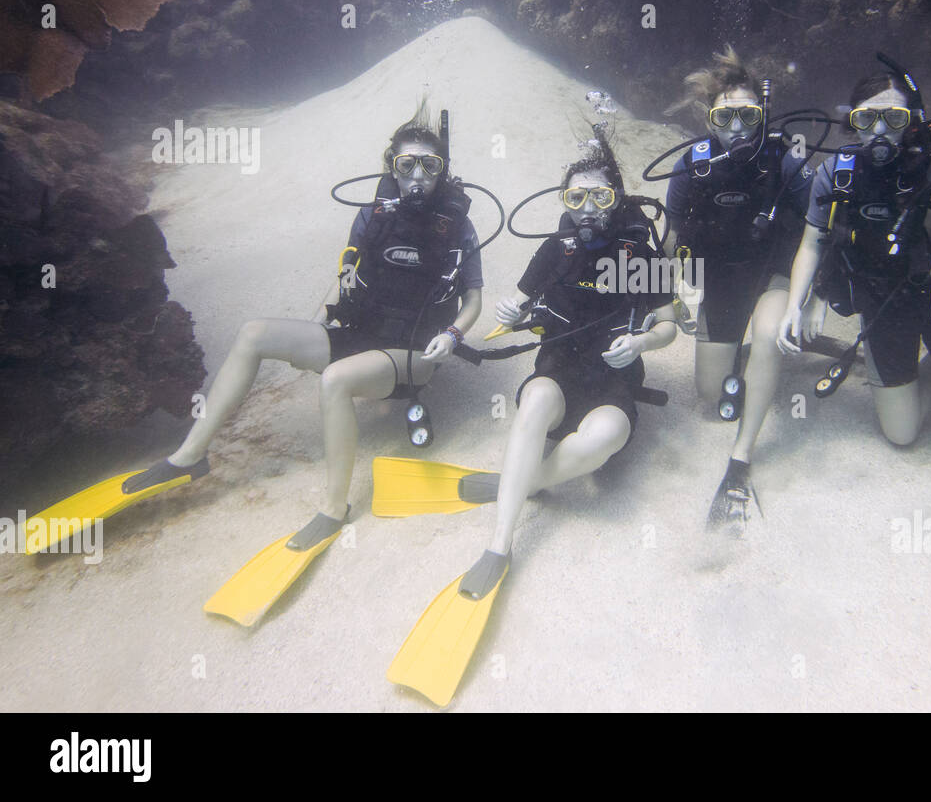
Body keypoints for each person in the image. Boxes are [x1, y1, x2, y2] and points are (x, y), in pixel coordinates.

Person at [26, 99, 484, 604]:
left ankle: (334, 510)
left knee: (336, 381)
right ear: (390, 169)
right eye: (406, 164)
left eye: (429, 165)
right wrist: (334, 293)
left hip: (414, 355)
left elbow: (474, 297)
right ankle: (188, 457)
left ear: (442, 173)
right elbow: (348, 266)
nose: (417, 176)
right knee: (253, 333)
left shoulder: (457, 227)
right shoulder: (372, 217)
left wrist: (455, 336)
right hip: (358, 335)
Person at [386, 130, 677, 706]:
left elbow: (669, 325)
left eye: (598, 199)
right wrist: (512, 312)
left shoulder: (641, 255)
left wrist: (644, 340)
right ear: (563, 203)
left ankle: (517, 483)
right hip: (560, 369)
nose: (587, 211)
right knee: (536, 402)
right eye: (576, 200)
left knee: (606, 440)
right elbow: (517, 310)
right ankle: (500, 543)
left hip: (614, 381)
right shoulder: (556, 252)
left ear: (616, 200)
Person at [778, 59, 931, 445]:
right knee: (901, 436)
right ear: (852, 122)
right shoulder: (836, 172)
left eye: (894, 118)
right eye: (868, 119)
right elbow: (812, 242)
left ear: (913, 121)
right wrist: (794, 304)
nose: (881, 130)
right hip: (881, 306)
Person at [660, 46, 817, 528]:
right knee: (711, 396)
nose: (736, 128)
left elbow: (818, 233)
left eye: (747, 116)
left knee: (768, 333)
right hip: (720, 281)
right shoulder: (693, 165)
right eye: (725, 116)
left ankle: (741, 456)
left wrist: (810, 299)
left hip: (773, 275)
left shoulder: (786, 160)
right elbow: (668, 241)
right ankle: (750, 358)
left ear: (762, 115)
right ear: (709, 119)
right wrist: (662, 296)